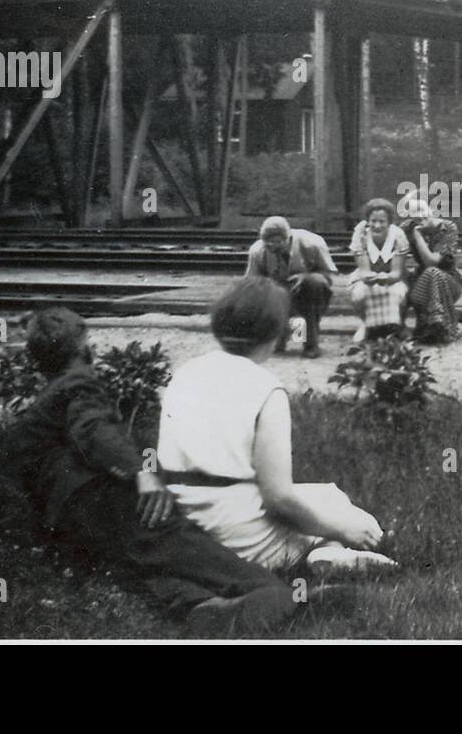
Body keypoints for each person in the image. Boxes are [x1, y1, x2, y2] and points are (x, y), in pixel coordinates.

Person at [10, 307, 313, 638]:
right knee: (175, 539)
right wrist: (141, 472)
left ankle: (201, 606)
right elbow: (93, 430)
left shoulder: (46, 399)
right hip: (99, 499)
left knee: (139, 559)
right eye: (88, 341)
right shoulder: (79, 383)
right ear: (82, 348)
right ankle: (276, 593)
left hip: (64, 519)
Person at [158, 276, 398, 576]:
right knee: (345, 518)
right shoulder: (266, 388)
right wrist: (344, 528)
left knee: (329, 495)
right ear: (275, 333)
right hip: (235, 530)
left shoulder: (185, 373)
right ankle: (326, 549)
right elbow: (278, 499)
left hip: (182, 520)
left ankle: (329, 551)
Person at [244, 215, 338, 358]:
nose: (273, 246)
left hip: (307, 292)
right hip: (276, 292)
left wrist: (305, 276)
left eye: (278, 242)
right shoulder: (257, 251)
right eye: (268, 243)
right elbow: (251, 282)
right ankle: (275, 336)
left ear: (289, 238)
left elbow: (327, 275)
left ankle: (310, 342)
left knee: (315, 282)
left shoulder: (312, 243)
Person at [400, 197, 462, 343]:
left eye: (423, 212)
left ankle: (440, 325)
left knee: (432, 272)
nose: (420, 217)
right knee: (403, 280)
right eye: (415, 215)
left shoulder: (447, 227)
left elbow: (432, 262)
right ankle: (398, 326)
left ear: (431, 211)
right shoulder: (407, 227)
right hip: (420, 282)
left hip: (448, 282)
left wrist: (417, 236)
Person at [348, 198, 410, 342]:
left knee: (397, 292)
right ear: (367, 221)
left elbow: (396, 273)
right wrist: (369, 277)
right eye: (373, 221)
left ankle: (397, 325)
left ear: (389, 222)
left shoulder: (398, 236)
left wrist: (387, 278)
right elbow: (364, 271)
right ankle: (366, 324)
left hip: (394, 277)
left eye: (382, 221)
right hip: (367, 276)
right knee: (361, 292)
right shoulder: (360, 234)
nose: (377, 225)